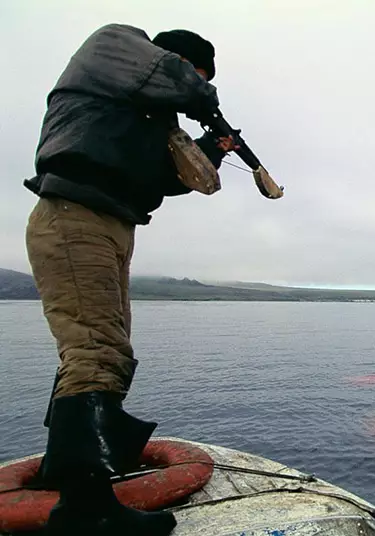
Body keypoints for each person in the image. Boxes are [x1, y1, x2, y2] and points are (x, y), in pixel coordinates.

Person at [23, 23, 236, 535]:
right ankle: (85, 510)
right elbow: (182, 82)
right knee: (95, 353)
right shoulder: (115, 43)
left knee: (108, 353)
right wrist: (203, 96)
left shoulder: (143, 112)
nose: (192, 85)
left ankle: (66, 478)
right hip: (75, 214)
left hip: (111, 222)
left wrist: (211, 148)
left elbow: (164, 179)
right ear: (175, 59)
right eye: (196, 72)